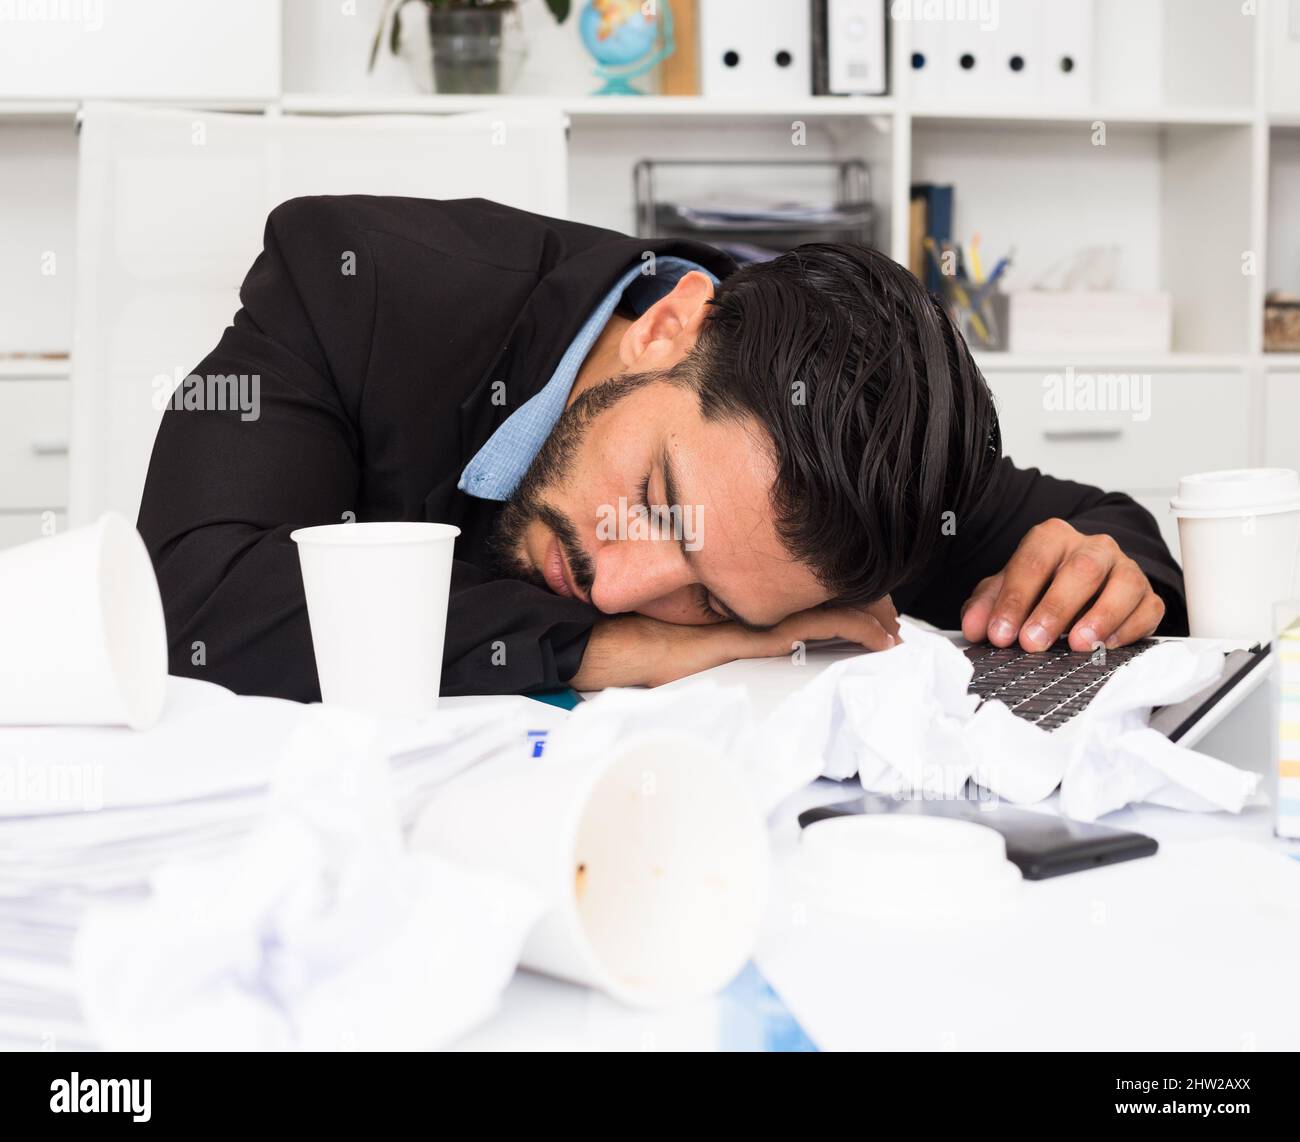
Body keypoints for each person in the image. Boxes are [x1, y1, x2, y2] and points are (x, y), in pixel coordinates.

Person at [137, 195, 1185, 700]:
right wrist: (630, 649)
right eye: (653, 496)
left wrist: (1102, 571)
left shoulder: (833, 473)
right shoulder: (353, 283)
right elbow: (188, 599)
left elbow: (1094, 531)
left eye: (712, 601)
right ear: (667, 327)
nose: (618, 582)